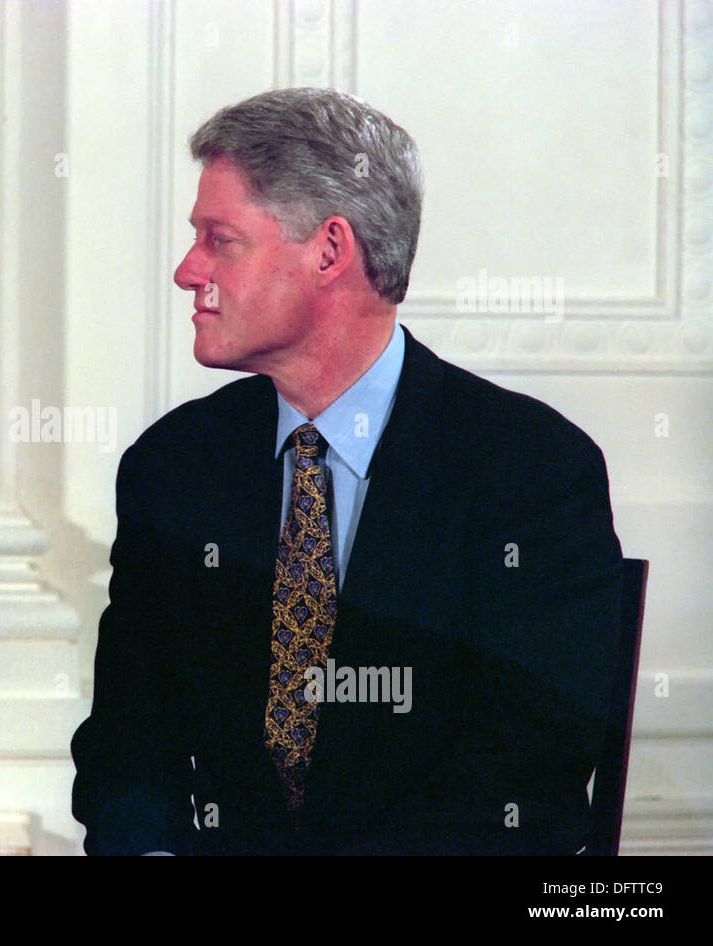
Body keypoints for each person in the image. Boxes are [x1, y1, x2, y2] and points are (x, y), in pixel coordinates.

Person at [71, 88, 623, 855]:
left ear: (330, 251)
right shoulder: (174, 467)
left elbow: (523, 782)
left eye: (218, 239)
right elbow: (126, 748)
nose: (186, 269)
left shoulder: (529, 472)